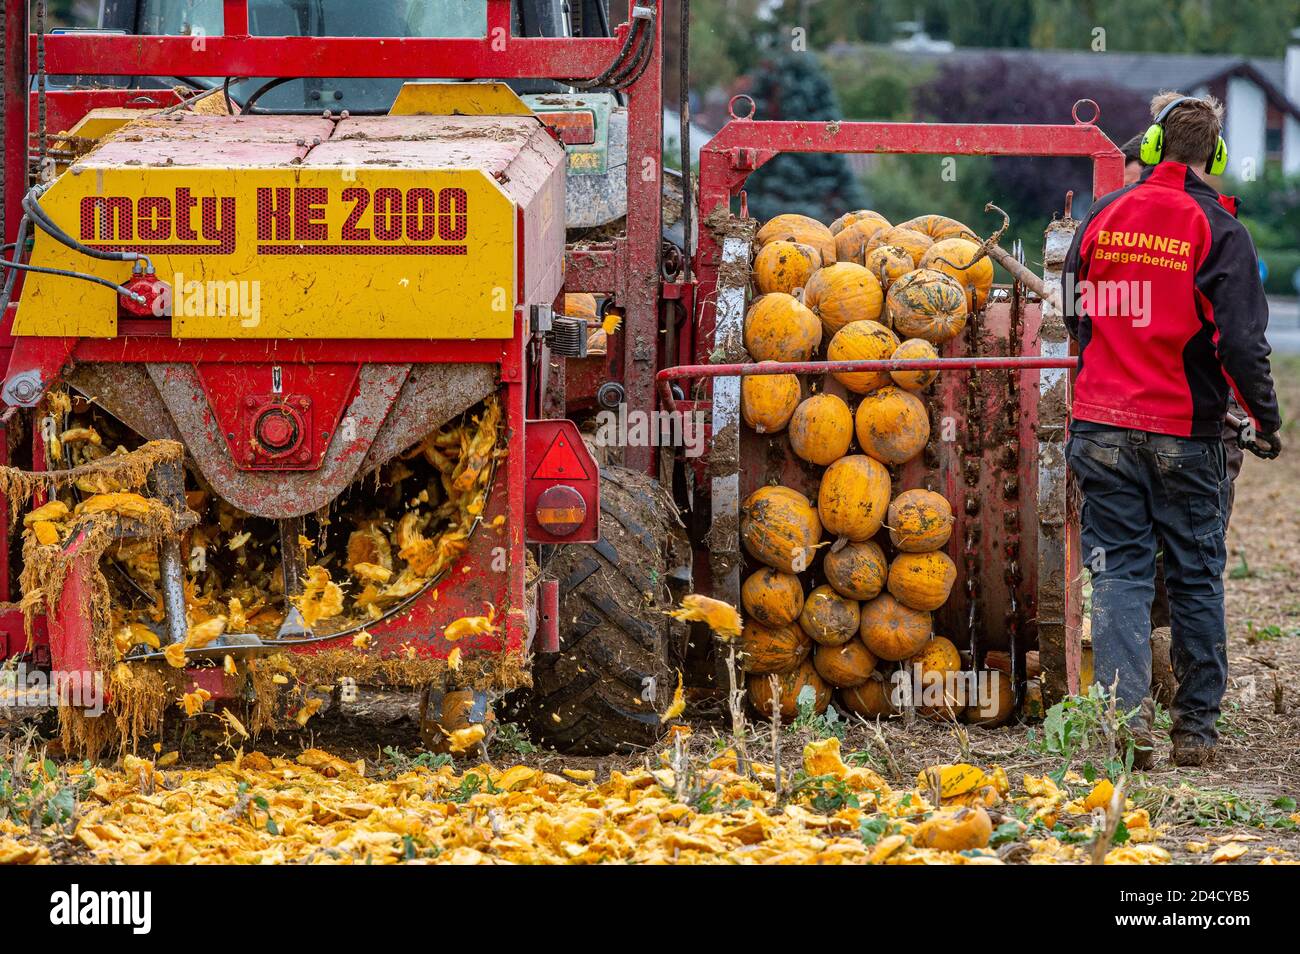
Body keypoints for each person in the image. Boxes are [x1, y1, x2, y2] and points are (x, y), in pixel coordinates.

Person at [1062, 92, 1282, 768]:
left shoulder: (1102, 216)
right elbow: (1241, 346)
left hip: (1099, 426)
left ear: (1151, 147)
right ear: (1214, 156)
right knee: (1195, 575)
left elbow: (1076, 313)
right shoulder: (1221, 231)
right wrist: (1266, 421)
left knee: (1121, 575)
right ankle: (1195, 733)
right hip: (1186, 433)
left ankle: (1124, 735)